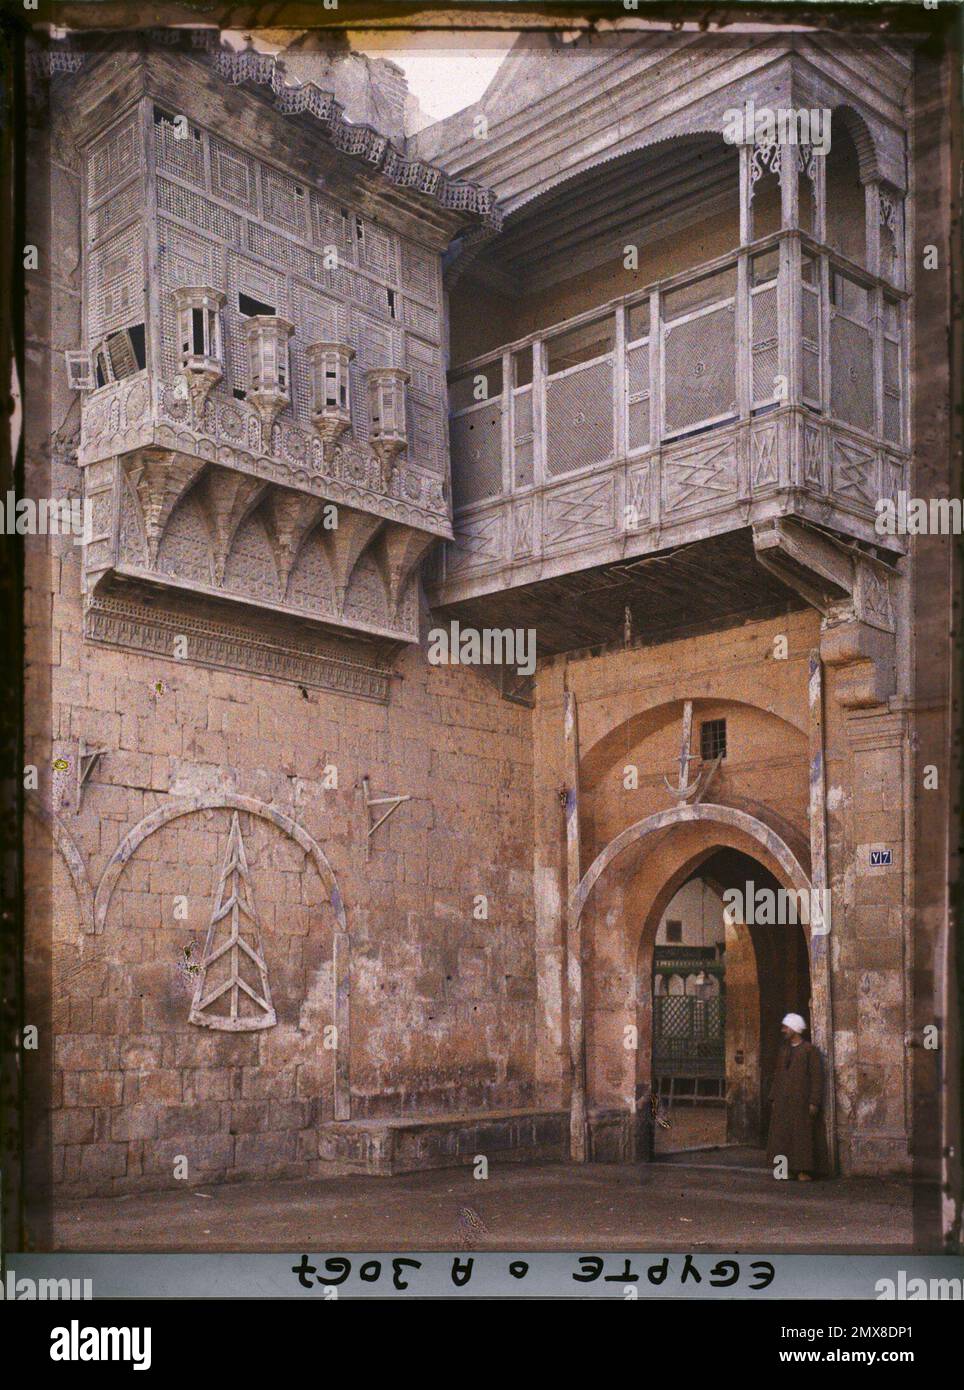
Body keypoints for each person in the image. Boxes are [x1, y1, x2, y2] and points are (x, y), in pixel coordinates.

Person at [766, 1012, 823, 1180]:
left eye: (786, 1027)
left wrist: (814, 1101)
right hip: (783, 1103)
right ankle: (784, 1170)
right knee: (781, 1138)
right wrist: (774, 1097)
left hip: (801, 1102)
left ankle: (803, 1171)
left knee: (801, 1137)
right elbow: (778, 1075)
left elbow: (816, 1077)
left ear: (795, 1028)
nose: (783, 1030)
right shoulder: (783, 1051)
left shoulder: (809, 1051)